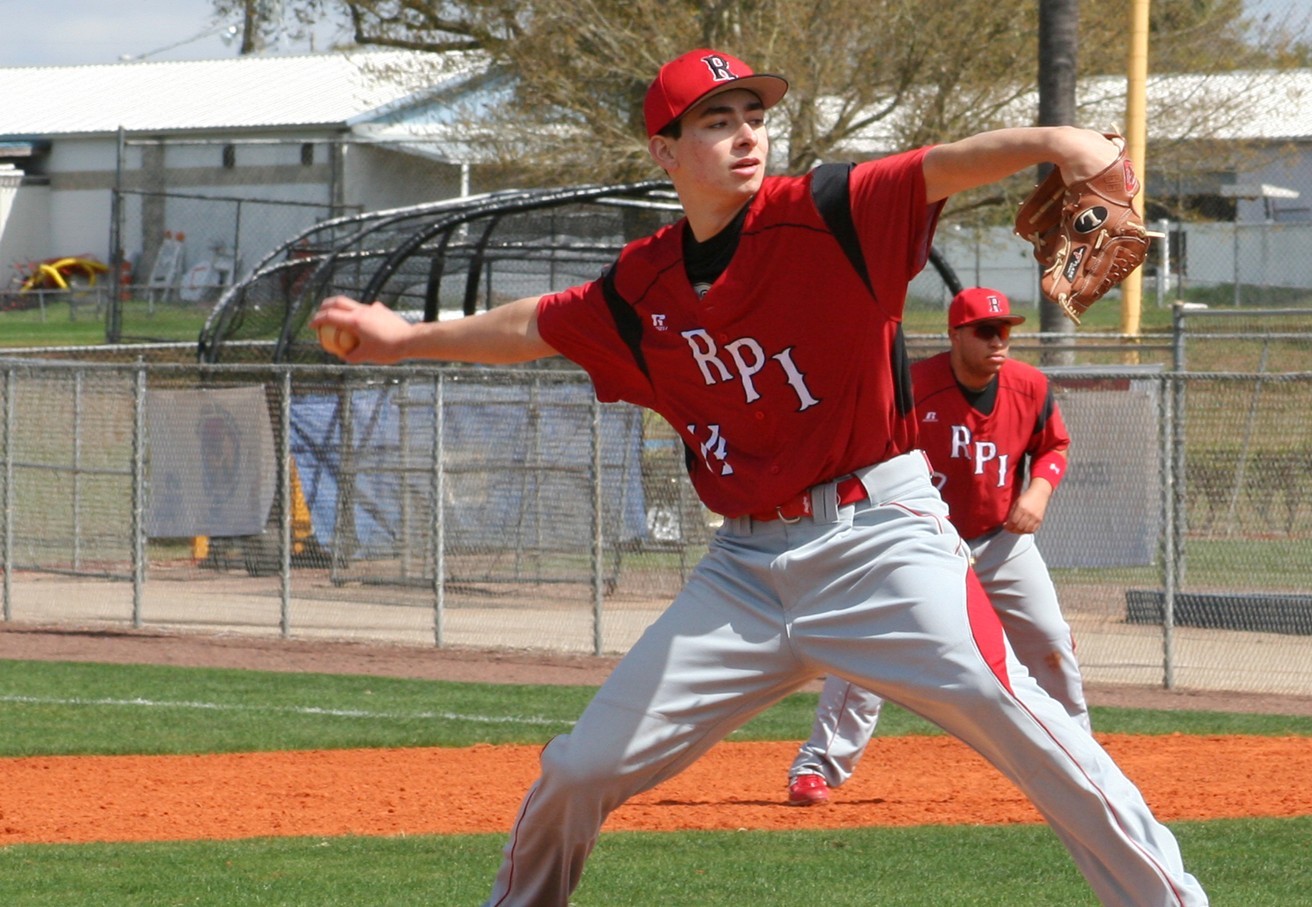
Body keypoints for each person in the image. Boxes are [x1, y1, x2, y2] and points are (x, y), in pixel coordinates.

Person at [314, 48, 1207, 907]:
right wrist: (405, 339)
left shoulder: (828, 211)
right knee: (582, 767)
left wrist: (1062, 142)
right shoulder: (642, 286)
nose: (746, 133)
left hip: (880, 541)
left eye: (754, 114)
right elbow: (532, 325)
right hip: (741, 572)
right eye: (715, 121)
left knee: (1032, 729)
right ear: (665, 151)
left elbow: (942, 164)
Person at [786, 286, 1090, 807]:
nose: (999, 341)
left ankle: (1081, 760)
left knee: (1051, 642)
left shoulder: (1030, 387)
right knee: (868, 648)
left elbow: (1053, 445)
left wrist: (1039, 489)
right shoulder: (913, 387)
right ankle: (817, 766)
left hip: (1002, 541)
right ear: (955, 335)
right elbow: (868, 449)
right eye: (986, 331)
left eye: (1005, 330)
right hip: (920, 541)